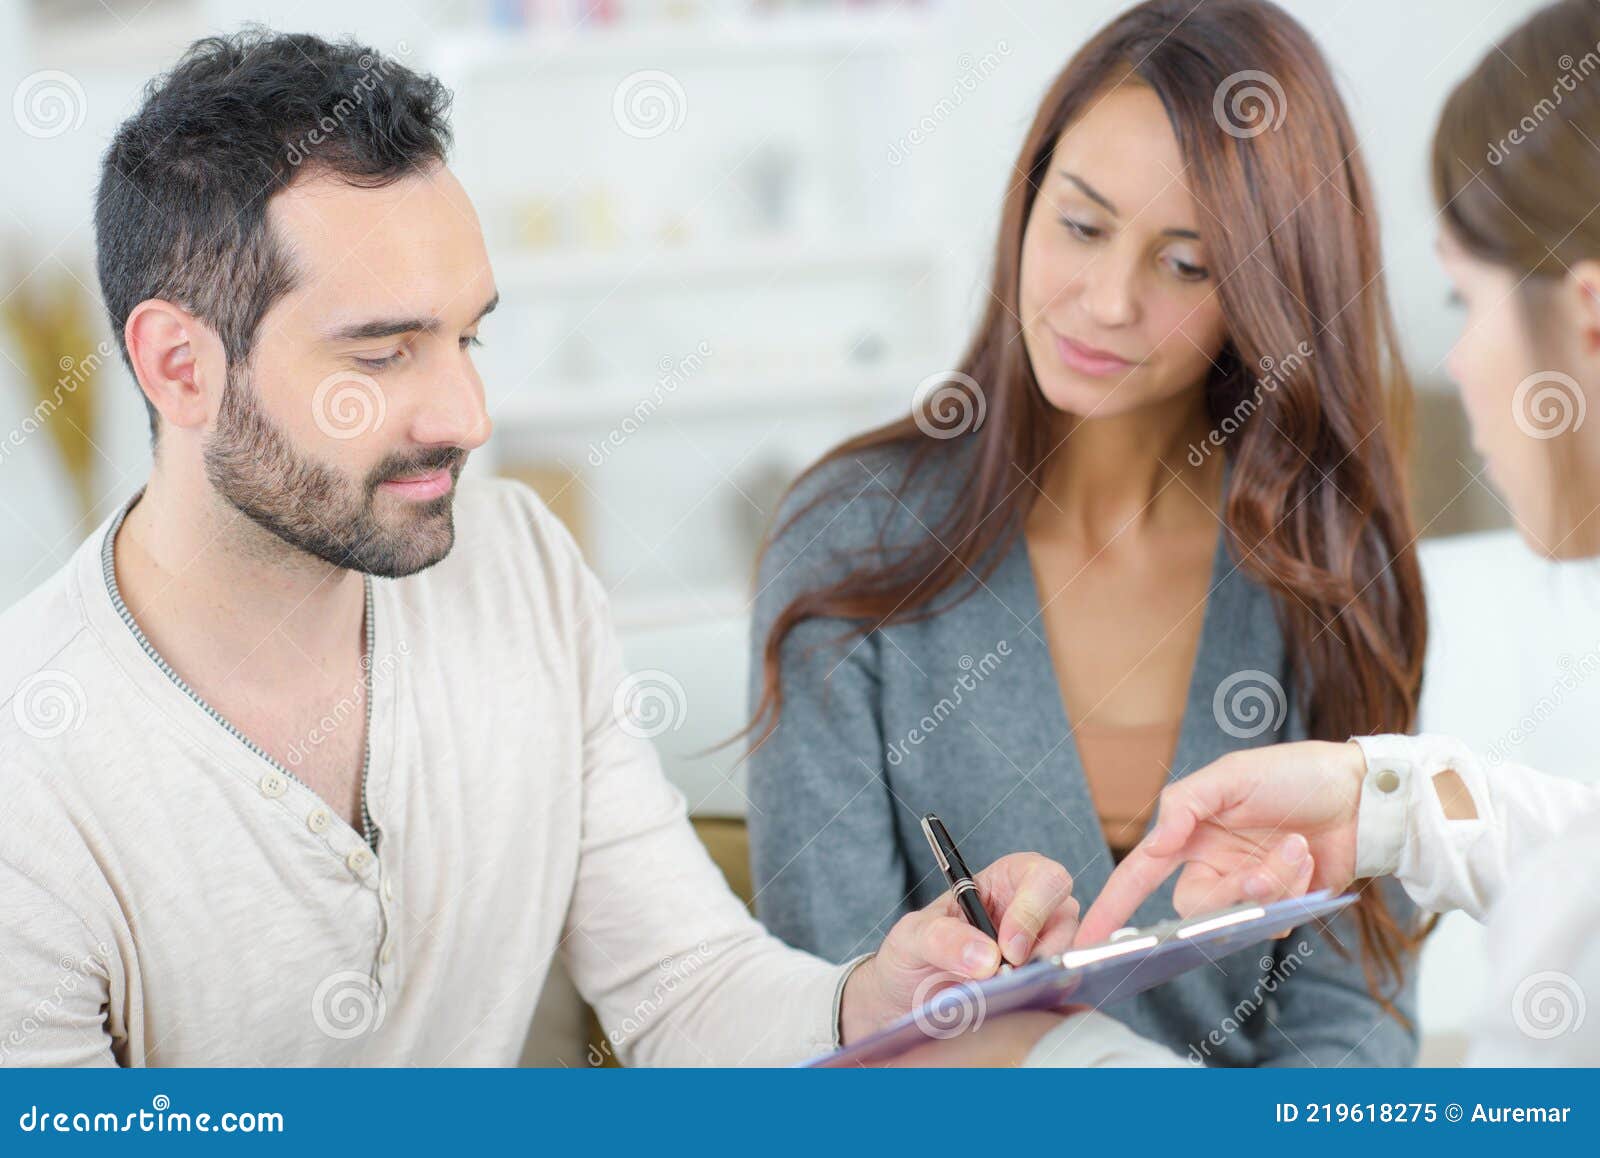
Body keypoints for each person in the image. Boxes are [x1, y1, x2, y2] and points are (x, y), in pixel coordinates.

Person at [0, 29, 1086, 1067]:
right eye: (382, 354)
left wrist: (869, 1005)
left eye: (467, 336)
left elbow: (684, 987)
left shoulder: (514, 563)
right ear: (180, 367)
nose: (467, 415)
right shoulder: (31, 776)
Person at [746, 0, 1426, 1067]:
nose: (1108, 301)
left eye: (1187, 264)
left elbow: (1355, 1010)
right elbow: (826, 1008)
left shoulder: (1328, 570)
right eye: (1080, 224)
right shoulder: (846, 545)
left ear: (1269, 292)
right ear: (1026, 206)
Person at [1048, 0, 1600, 1067]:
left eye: (1463, 295)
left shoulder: (1321, 555)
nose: (1455, 361)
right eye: (1080, 224)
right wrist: (1387, 809)